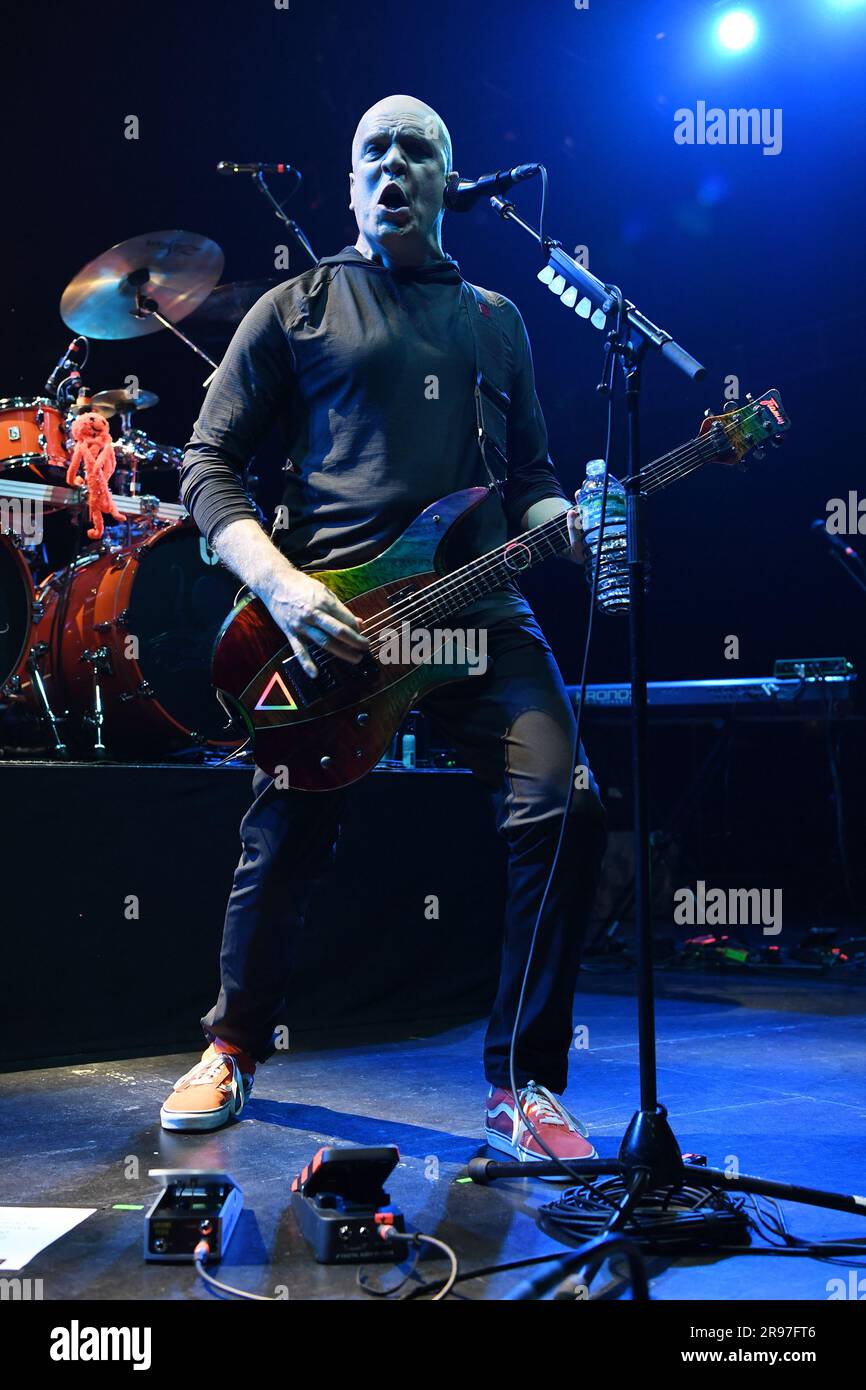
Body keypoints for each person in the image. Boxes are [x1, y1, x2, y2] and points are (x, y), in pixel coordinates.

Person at [164, 95, 606, 1167]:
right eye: (374, 151)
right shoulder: (296, 306)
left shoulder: (498, 321)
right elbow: (203, 464)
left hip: (477, 617)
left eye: (418, 150)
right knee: (285, 831)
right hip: (337, 618)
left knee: (567, 804)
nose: (395, 165)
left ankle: (523, 1083)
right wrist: (277, 584)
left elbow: (535, 479)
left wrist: (572, 522)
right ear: (352, 179)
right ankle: (231, 1045)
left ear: (449, 180)